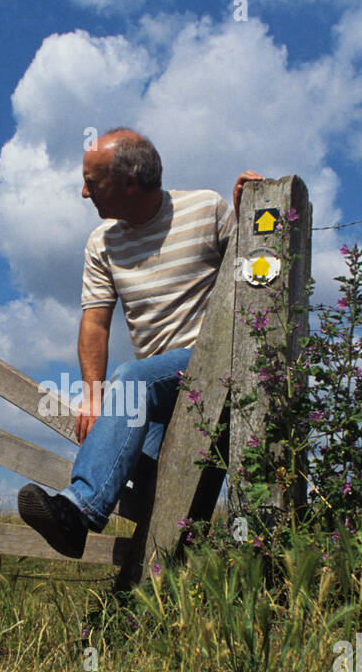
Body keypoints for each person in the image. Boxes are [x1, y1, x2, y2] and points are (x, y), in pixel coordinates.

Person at [17, 127, 262, 557]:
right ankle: (160, 588)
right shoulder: (102, 244)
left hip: (211, 367)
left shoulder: (206, 209)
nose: (83, 192)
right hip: (158, 390)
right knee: (150, 488)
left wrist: (249, 217)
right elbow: (95, 324)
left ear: (130, 181)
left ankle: (78, 510)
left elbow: (253, 274)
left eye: (92, 182)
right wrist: (92, 393)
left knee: (130, 379)